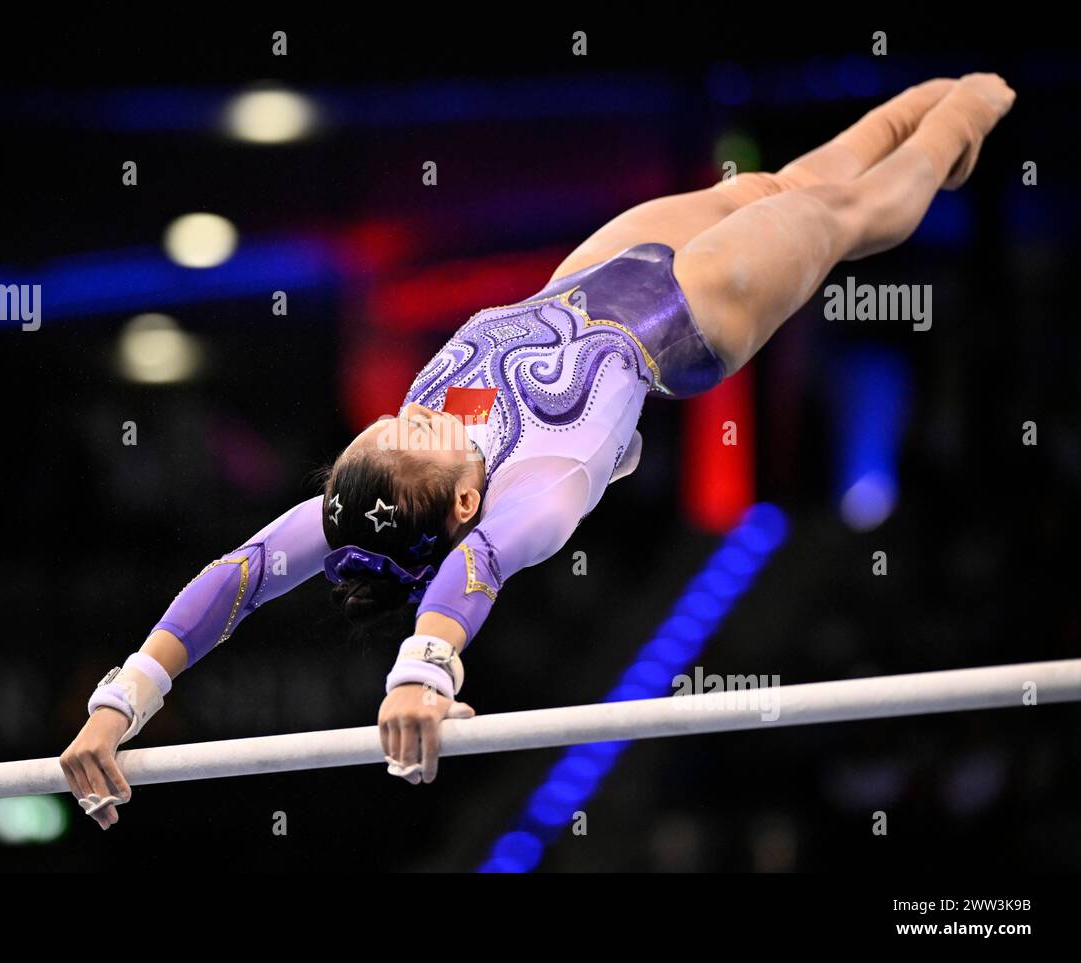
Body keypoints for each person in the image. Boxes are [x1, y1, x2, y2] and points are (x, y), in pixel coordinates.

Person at [61, 74, 1015, 828]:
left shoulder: (368, 499)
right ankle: (965, 116)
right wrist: (421, 671)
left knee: (779, 184)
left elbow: (248, 568)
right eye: (415, 439)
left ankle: (926, 116)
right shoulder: (528, 497)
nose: (401, 420)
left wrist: (129, 692)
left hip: (595, 274)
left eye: (386, 427)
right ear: (465, 499)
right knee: (846, 218)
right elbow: (475, 570)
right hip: (690, 316)